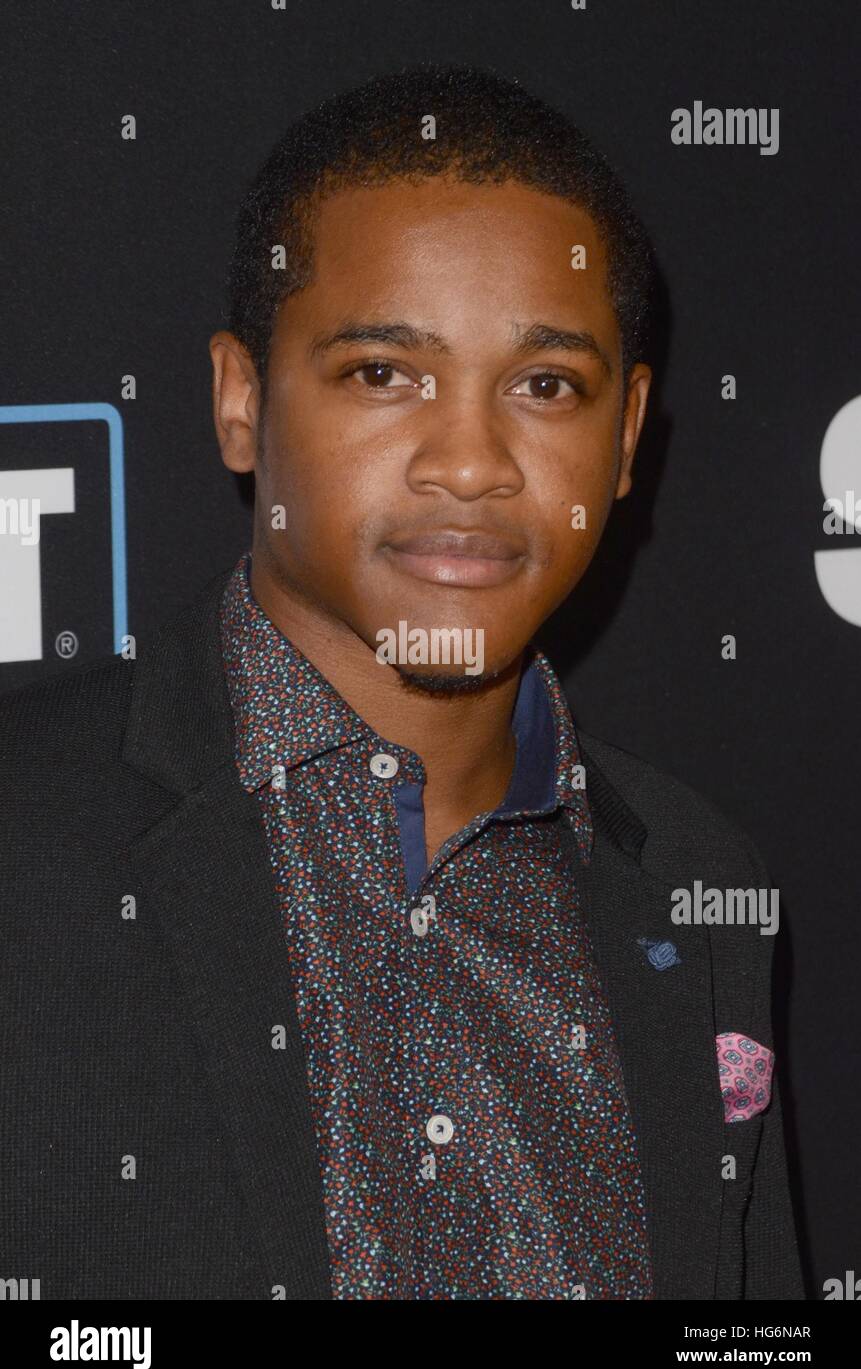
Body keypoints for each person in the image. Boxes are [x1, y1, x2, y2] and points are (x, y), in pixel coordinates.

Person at [0, 63, 803, 1300]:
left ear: (628, 435)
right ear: (240, 400)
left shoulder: (703, 884)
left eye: (545, 385)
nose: (471, 462)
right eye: (383, 372)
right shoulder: (27, 843)